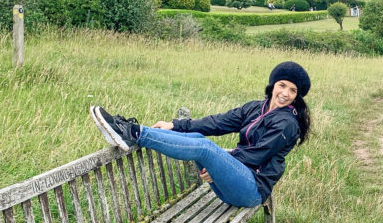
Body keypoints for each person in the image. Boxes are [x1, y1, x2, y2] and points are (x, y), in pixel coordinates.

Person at [89, 61, 311, 208]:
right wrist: (175, 125)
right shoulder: (255, 107)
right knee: (198, 139)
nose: (285, 93)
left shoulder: (286, 123)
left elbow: (256, 155)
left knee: (204, 148)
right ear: (273, 85)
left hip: (251, 190)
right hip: (233, 183)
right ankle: (134, 132)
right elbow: (218, 123)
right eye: (282, 85)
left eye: (293, 90)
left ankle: (132, 132)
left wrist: (219, 168)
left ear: (297, 96)